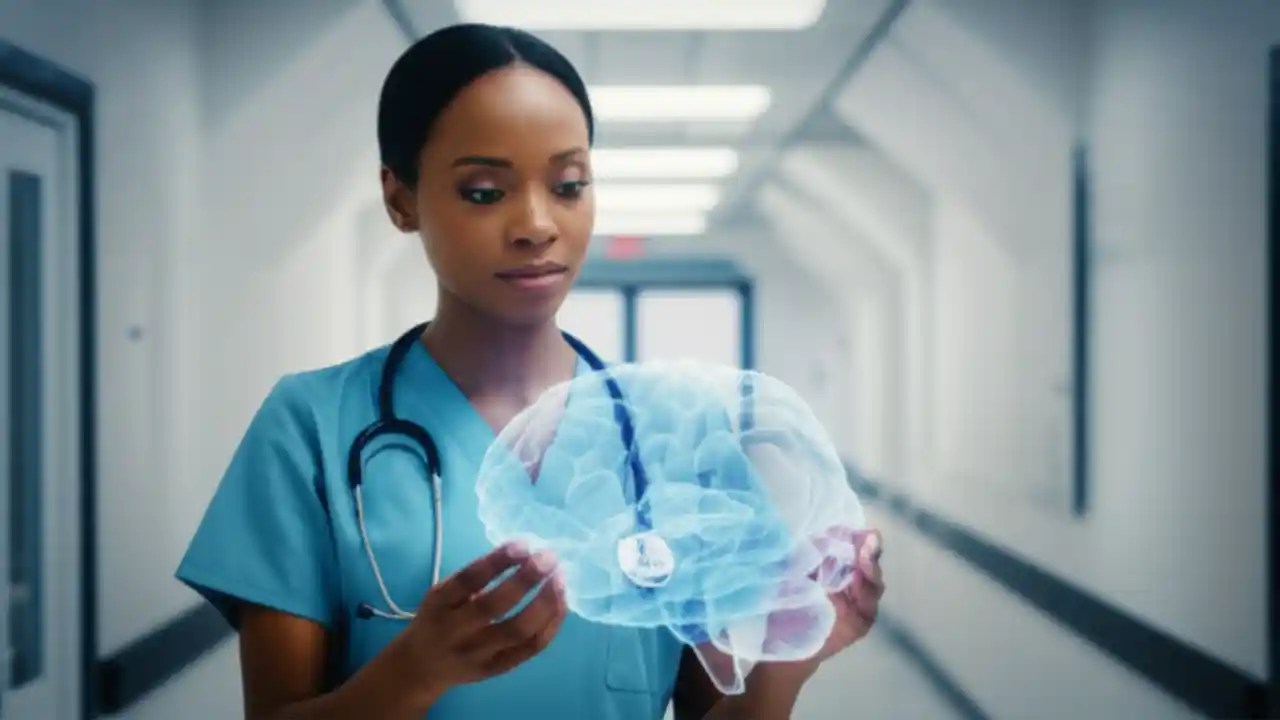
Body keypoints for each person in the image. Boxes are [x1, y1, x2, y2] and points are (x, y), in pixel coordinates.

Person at [175, 22, 885, 720]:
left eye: (569, 185)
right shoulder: (311, 427)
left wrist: (786, 669)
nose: (537, 224)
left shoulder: (683, 433)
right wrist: (414, 673)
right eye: (485, 191)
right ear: (399, 199)